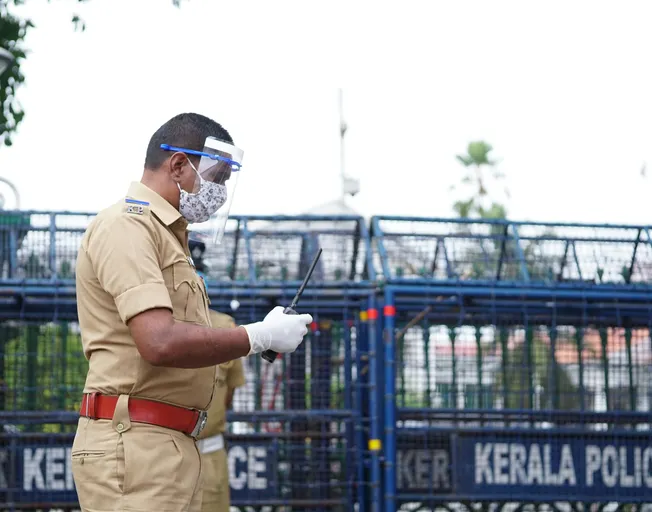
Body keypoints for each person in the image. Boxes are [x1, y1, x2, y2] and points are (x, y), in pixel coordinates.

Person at [71, 112, 312, 512]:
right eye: (216, 179)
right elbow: (159, 341)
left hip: (167, 445)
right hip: (135, 445)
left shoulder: (166, 236)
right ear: (178, 164)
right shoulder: (128, 226)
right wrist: (259, 336)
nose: (217, 192)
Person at [188, 233, 246, 512]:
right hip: (161, 454)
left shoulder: (225, 327)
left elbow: (228, 396)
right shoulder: (155, 327)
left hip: (208, 452)